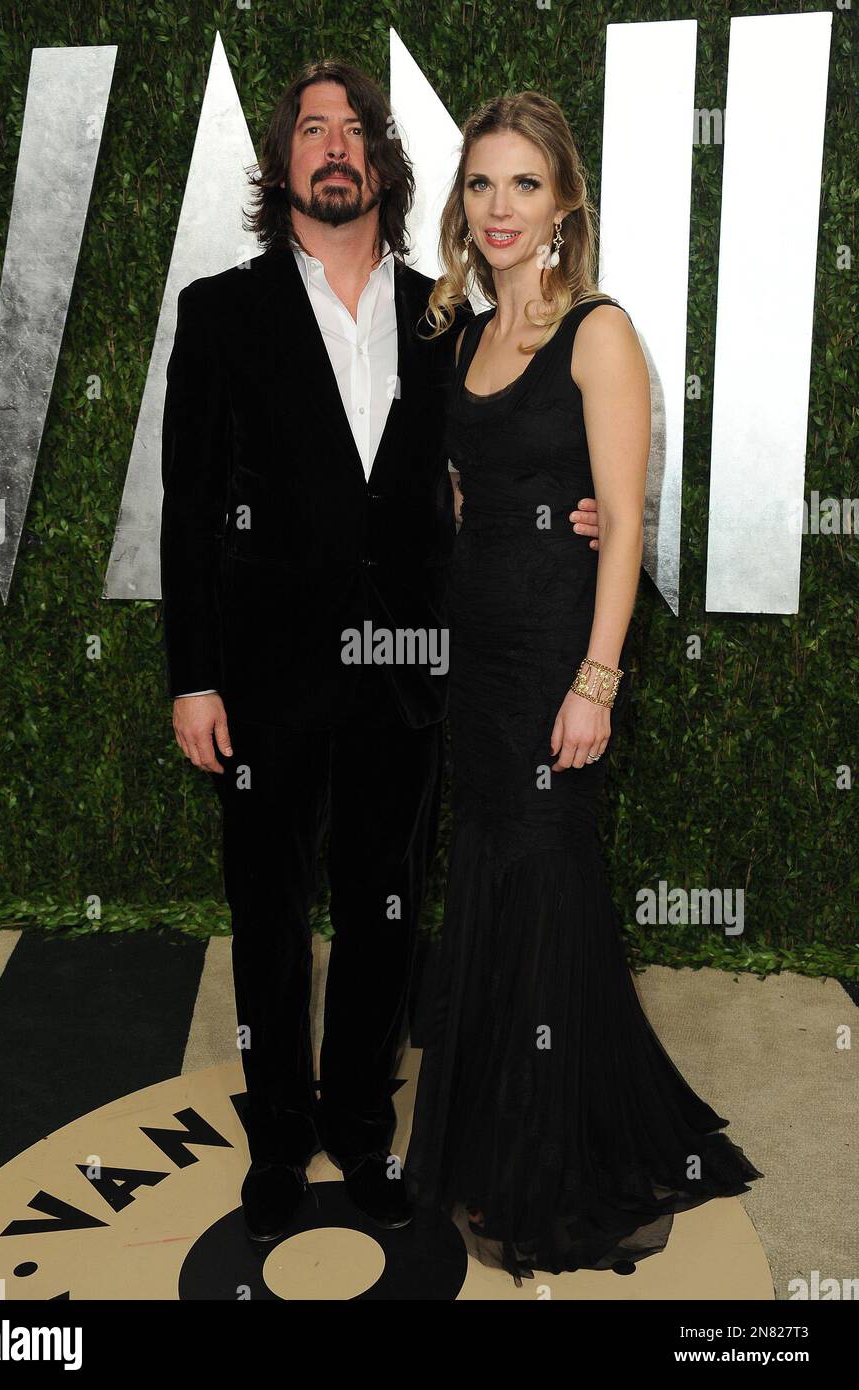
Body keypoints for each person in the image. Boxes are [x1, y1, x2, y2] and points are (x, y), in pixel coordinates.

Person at [159, 62, 603, 1245]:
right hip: (263, 676)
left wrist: (578, 508)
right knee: (265, 907)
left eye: (355, 130)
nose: (335, 148)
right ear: (283, 162)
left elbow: (503, 457)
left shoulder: (441, 315)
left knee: (383, 907)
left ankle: (360, 1127)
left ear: (385, 166)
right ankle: (276, 1141)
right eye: (313, 130)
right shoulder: (219, 312)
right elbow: (187, 508)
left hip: (407, 666)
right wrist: (191, 674)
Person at [403, 90, 763, 1283]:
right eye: (480, 183)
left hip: (560, 655)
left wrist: (596, 681)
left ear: (563, 205)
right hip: (480, 660)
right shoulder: (457, 332)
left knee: (549, 882)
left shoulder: (596, 331)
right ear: (461, 203)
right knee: (492, 876)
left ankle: (558, 1156)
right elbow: (467, 498)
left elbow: (623, 529)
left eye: (523, 185)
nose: (498, 208)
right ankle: (497, 1127)